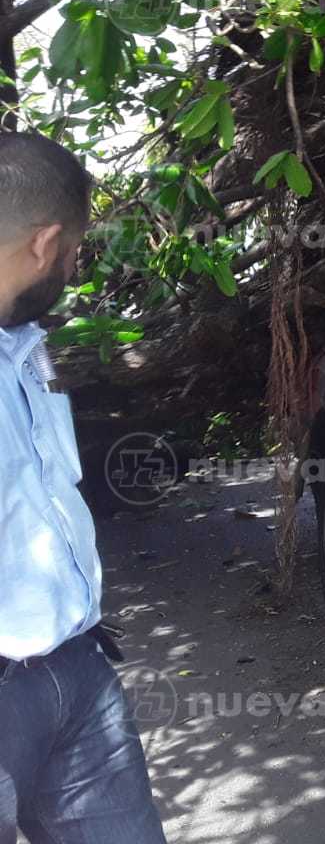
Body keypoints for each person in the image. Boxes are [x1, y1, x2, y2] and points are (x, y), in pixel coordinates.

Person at [0, 132, 166, 844]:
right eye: (74, 250)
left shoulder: (24, 347)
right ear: (44, 243)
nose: (76, 265)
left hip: (76, 663)